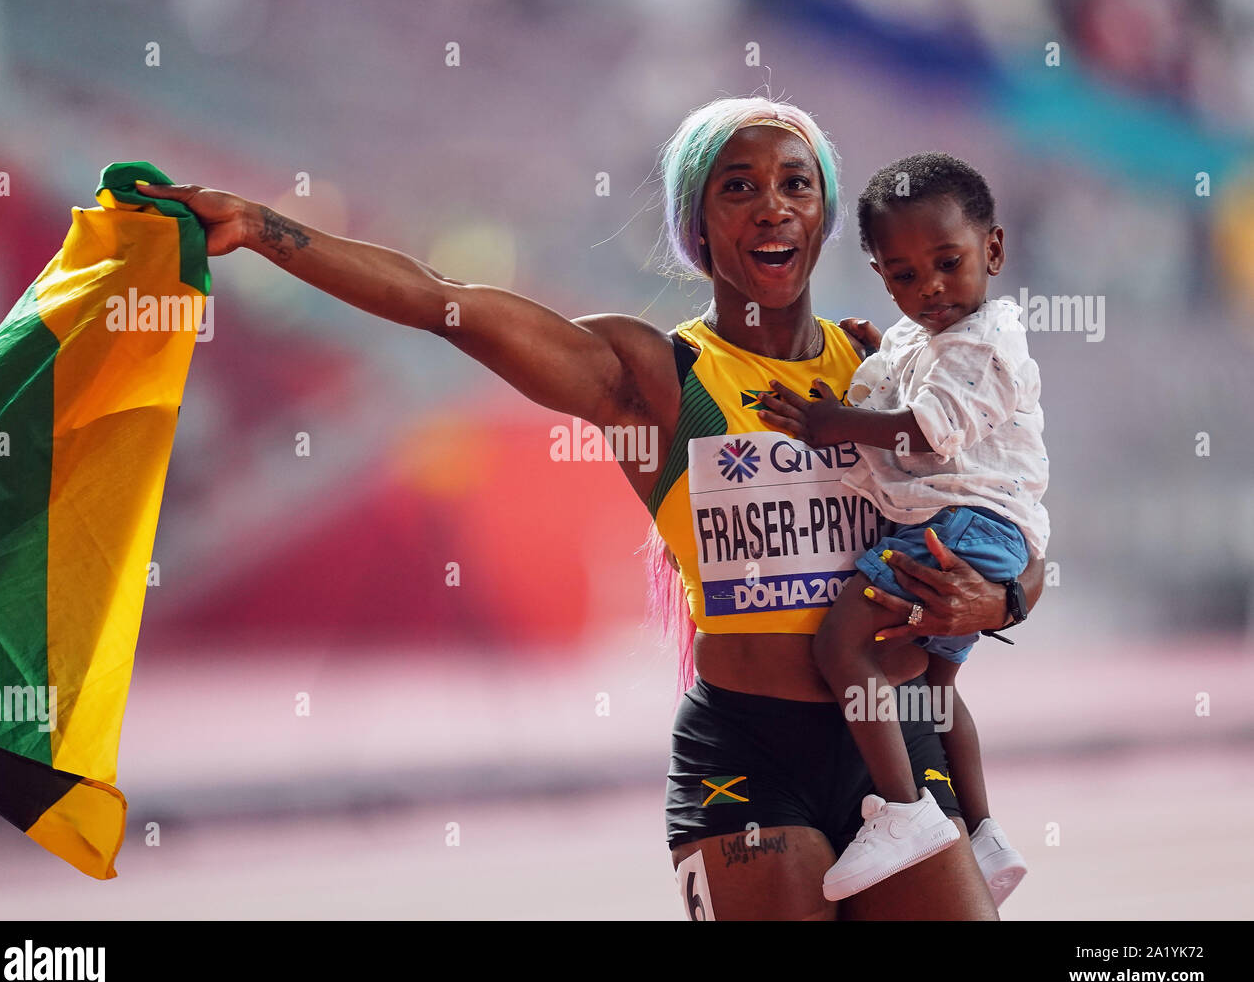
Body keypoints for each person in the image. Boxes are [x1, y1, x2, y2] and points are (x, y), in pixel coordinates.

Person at [137, 95, 1043, 920]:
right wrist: (260, 227)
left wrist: (1003, 603)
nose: (773, 206)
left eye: (796, 185)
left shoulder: (882, 368)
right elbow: (440, 301)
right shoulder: (651, 377)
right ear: (697, 222)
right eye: (740, 188)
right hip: (750, 764)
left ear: (825, 214)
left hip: (896, 748)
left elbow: (1013, 514)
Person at [755, 152, 1047, 906]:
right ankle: (984, 834)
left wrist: (830, 421)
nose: (931, 289)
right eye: (904, 275)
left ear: (994, 249)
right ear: (882, 275)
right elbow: (909, 379)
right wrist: (882, 350)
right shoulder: (923, 338)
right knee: (935, 690)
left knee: (841, 645)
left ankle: (907, 811)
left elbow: (925, 433)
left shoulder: (985, 342)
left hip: (966, 527)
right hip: (976, 527)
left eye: (948, 263)